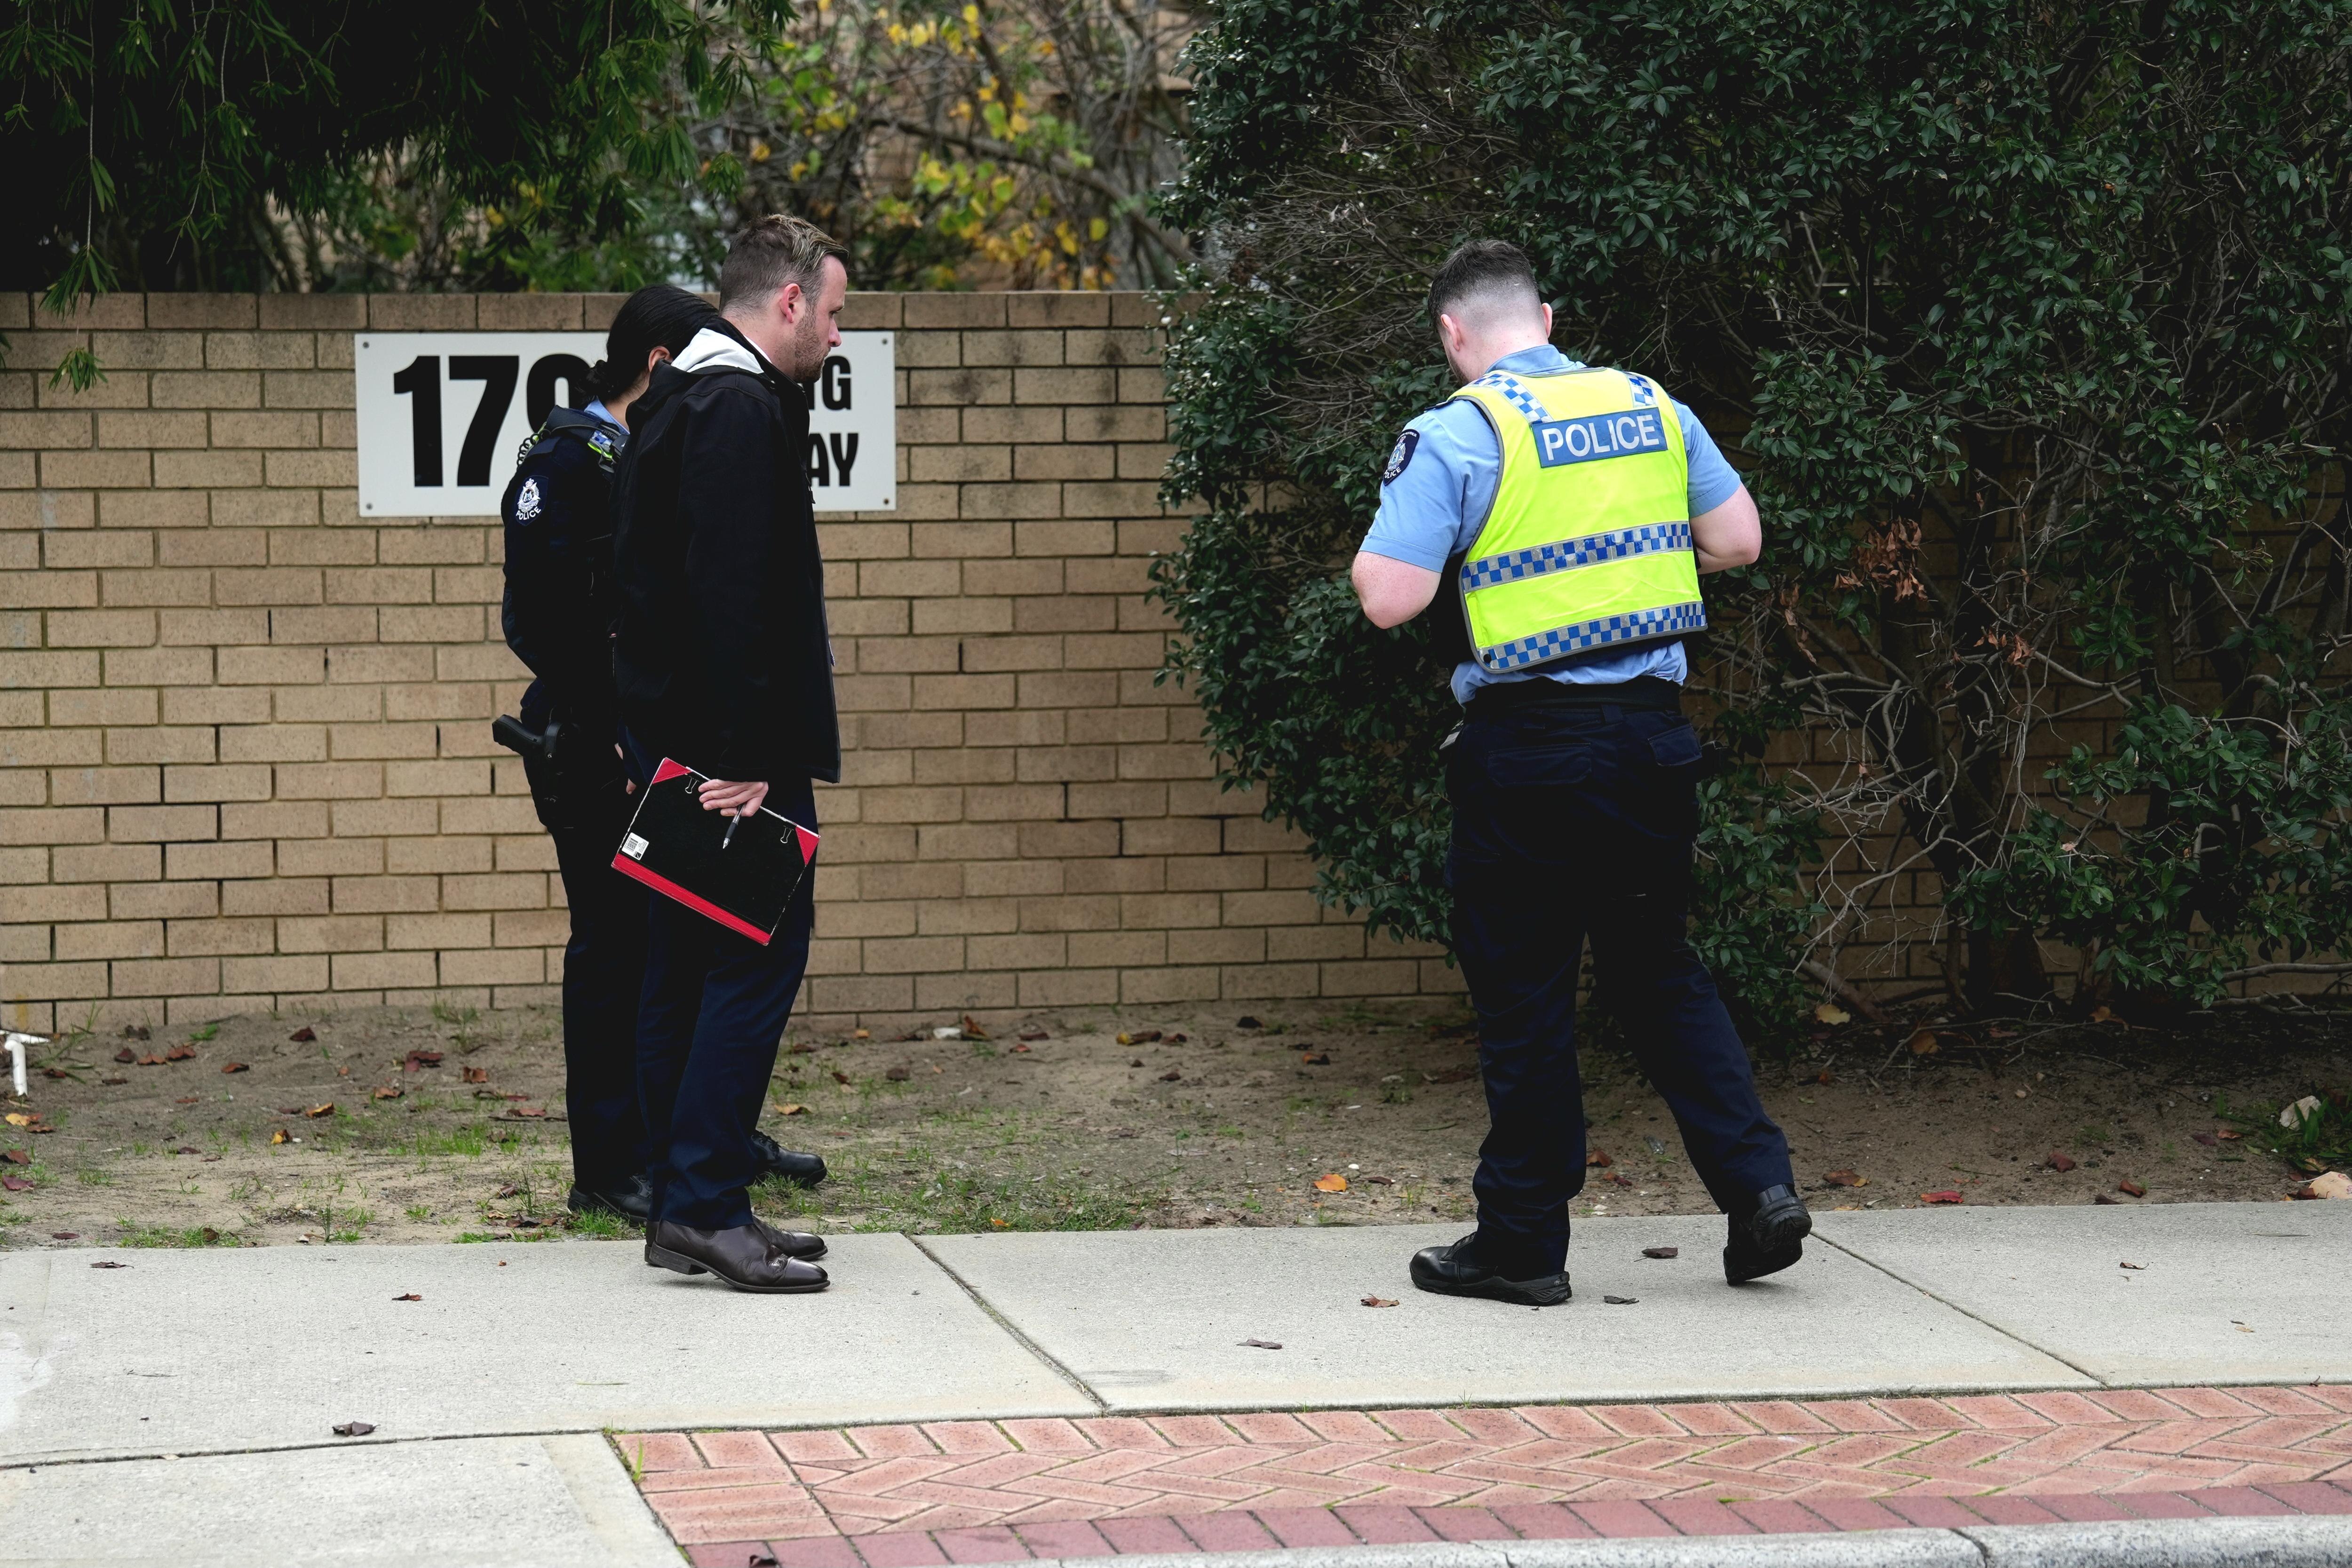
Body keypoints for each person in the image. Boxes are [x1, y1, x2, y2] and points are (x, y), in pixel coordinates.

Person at [1351, 239, 1810, 1306]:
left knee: (1524, 994)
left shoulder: (1460, 432)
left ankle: (1522, 1243)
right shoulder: (1651, 404)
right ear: (1546, 318)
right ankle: (1759, 1190)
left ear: (1451, 335)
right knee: (1658, 969)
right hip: (1651, 741)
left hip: (1528, 754)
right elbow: (1737, 540)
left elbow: (1387, 597)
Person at [498, 284, 826, 1227]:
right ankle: (613, 1161)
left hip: (658, 737)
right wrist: (603, 716)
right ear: (657, 362)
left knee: (688, 949)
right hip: (597, 745)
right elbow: (542, 616)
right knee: (621, 948)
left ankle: (704, 1141)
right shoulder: (567, 460)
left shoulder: (654, 442)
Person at [609, 216, 849, 1293]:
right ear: (788, 301)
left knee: (682, 967)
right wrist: (748, 753)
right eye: (835, 311)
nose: (838, 336)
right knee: (758, 957)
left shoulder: (678, 399)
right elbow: (731, 590)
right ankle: (705, 1203)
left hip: (679, 743)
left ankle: (682, 1194)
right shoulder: (737, 405)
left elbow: (646, 590)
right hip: (729, 759)